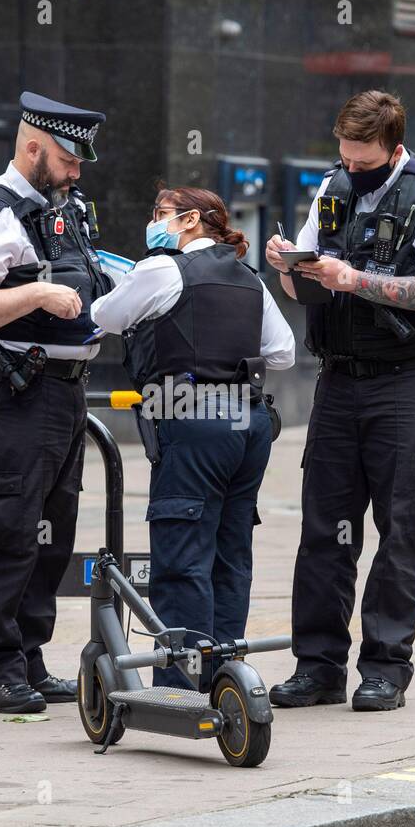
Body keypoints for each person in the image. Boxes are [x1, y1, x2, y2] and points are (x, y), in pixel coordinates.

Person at [264, 89, 415, 712]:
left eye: (363, 161)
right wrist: (288, 270)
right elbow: (306, 291)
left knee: (401, 526)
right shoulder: (332, 188)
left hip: (410, 380)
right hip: (340, 379)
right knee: (325, 527)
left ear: (394, 148)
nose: (351, 169)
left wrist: (356, 280)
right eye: (345, 158)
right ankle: (318, 666)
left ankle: (384, 669)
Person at [90, 187, 295, 689]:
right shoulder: (250, 279)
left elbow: (104, 316)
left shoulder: (162, 268)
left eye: (160, 214)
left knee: (182, 554)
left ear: (189, 221)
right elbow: (283, 352)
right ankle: (225, 676)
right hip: (250, 426)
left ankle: (182, 686)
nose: (153, 223)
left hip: (192, 421)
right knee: (230, 552)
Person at [0, 92, 113, 713]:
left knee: (55, 534)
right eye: (68, 159)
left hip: (66, 393)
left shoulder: (68, 209)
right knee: (12, 527)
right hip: (18, 391)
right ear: (33, 148)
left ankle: (28, 655)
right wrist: (37, 298)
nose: (78, 171)